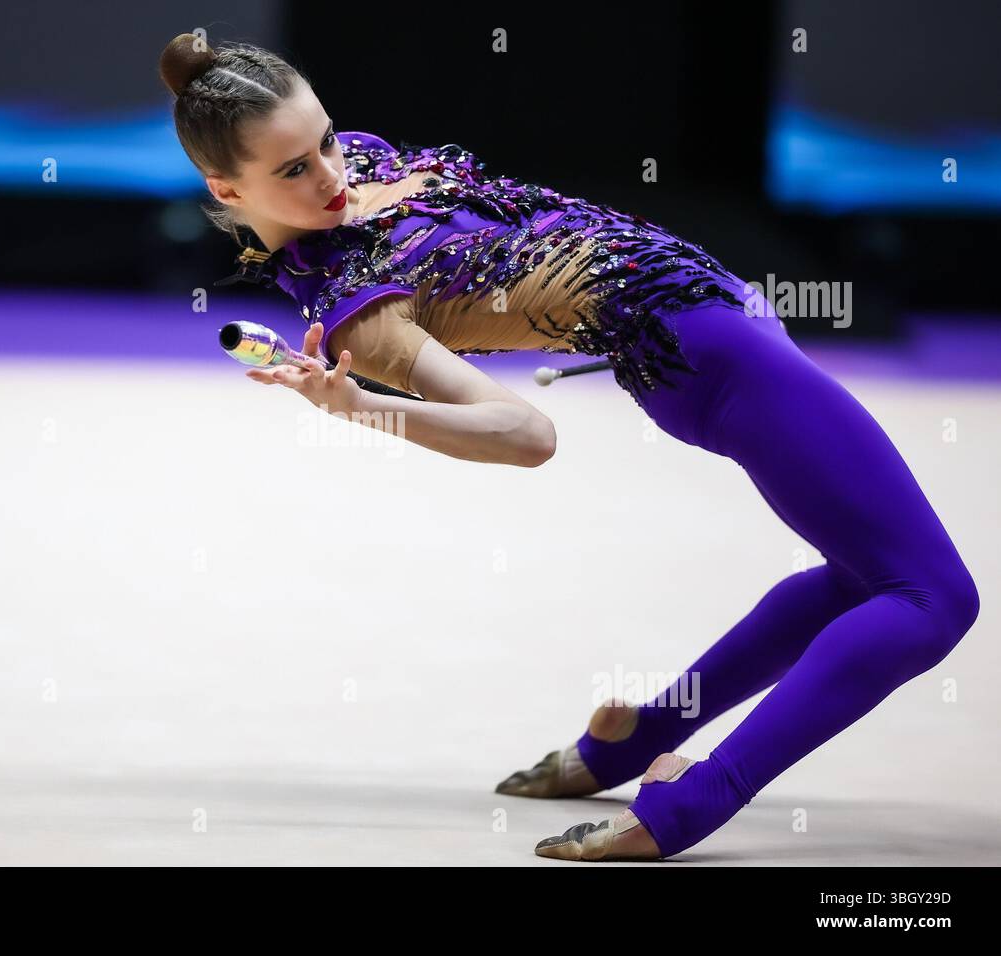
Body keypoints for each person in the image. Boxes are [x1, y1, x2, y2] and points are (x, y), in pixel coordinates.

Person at [159, 33, 980, 860]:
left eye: (326, 140)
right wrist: (361, 407)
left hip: (717, 335)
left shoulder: (361, 167)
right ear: (225, 187)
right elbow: (526, 434)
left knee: (862, 576)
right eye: (293, 170)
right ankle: (688, 804)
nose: (333, 175)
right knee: (934, 599)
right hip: (716, 357)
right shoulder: (359, 313)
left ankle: (628, 740)